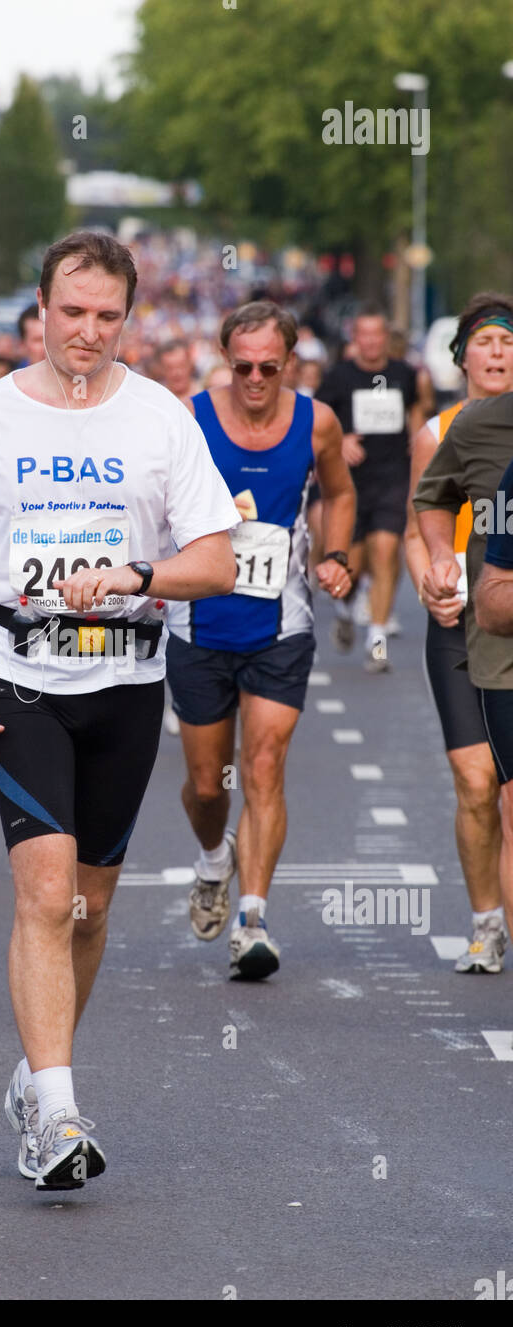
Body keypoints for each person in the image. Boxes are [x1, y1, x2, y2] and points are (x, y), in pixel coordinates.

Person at [0, 229, 239, 1189]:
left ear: (128, 319)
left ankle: (33, 1074)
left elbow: (216, 561)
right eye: (72, 312)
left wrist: (140, 572)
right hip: (16, 682)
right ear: (41, 313)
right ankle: (58, 1115)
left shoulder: (161, 419)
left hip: (126, 687)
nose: (88, 332)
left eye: (107, 315)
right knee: (46, 894)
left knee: (89, 911)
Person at [166, 301, 355, 968]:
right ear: (224, 359)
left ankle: (253, 919)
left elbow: (338, 492)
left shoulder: (317, 422)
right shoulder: (187, 419)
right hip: (199, 623)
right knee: (210, 785)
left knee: (265, 767)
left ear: (290, 363)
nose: (253, 378)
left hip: (282, 624)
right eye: (241, 365)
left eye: (268, 367)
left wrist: (334, 554)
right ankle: (214, 859)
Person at [405, 295, 513, 972]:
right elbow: (424, 514)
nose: (499, 353)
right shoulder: (448, 428)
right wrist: (433, 572)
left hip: (507, 625)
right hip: (459, 618)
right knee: (476, 781)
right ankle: (485, 920)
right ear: (463, 357)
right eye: (487, 343)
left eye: (509, 342)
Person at [316, 307, 423, 671]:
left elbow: (417, 413)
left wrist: (419, 441)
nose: (372, 341)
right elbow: (317, 419)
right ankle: (345, 611)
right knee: (354, 565)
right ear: (356, 338)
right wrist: (341, 439)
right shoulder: (338, 376)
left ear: (385, 337)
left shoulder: (404, 374)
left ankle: (376, 644)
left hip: (392, 477)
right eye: (365, 334)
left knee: (386, 550)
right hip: (349, 483)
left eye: (378, 334)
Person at [151, 338, 196, 407]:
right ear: (161, 368)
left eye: (181, 366)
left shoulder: (205, 393)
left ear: (190, 364)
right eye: (170, 368)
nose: (176, 373)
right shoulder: (155, 399)